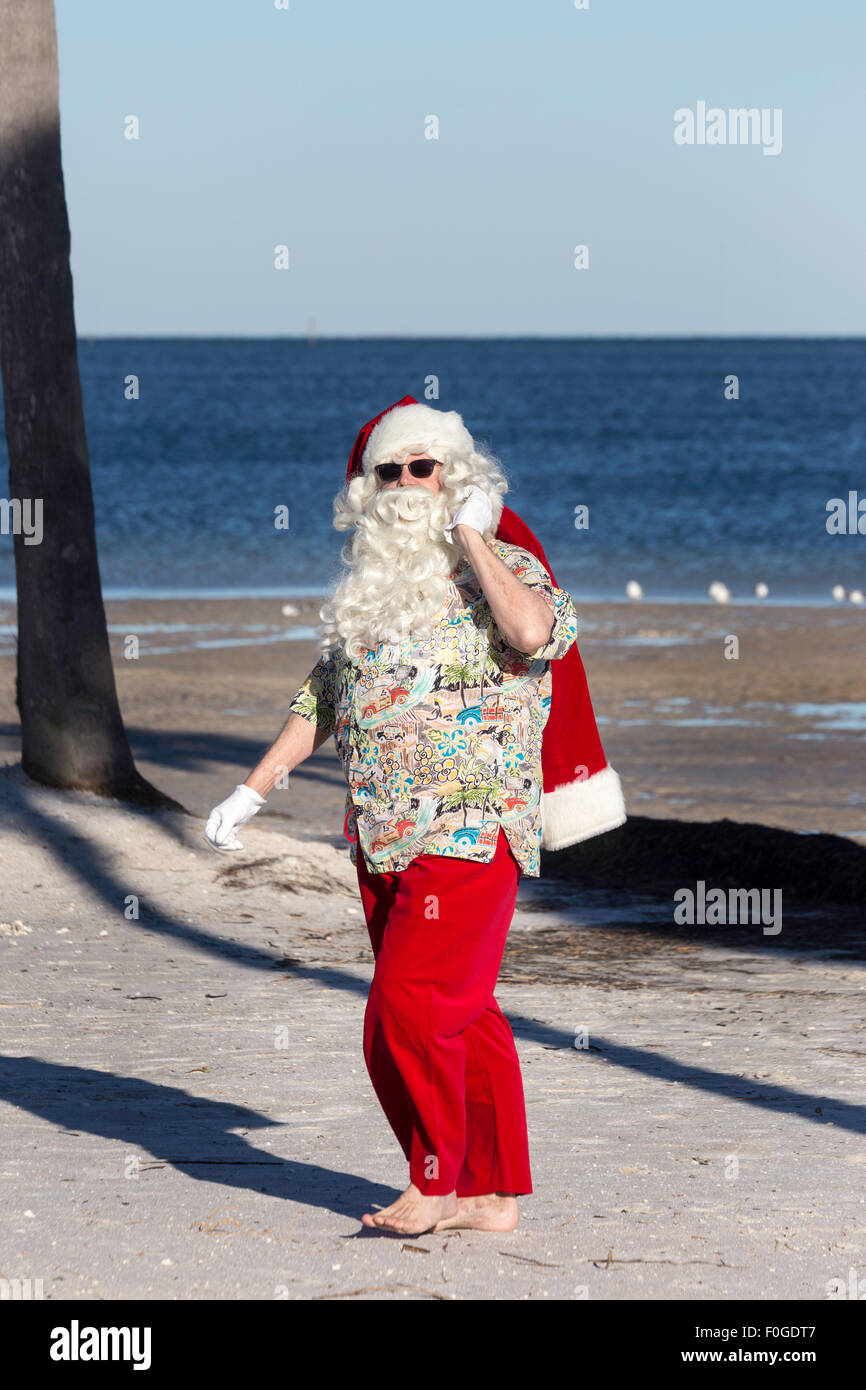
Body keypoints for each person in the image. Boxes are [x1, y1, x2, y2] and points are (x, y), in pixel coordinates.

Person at [205, 398, 626, 1235]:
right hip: (381, 833)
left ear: (457, 478)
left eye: (422, 468)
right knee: (464, 1017)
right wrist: (254, 787)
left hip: (470, 830)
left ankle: (433, 1182)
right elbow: (322, 697)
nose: (404, 485)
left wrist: (474, 537)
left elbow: (539, 632)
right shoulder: (369, 591)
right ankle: (491, 1194)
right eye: (387, 471)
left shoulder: (508, 567)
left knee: (407, 1011)